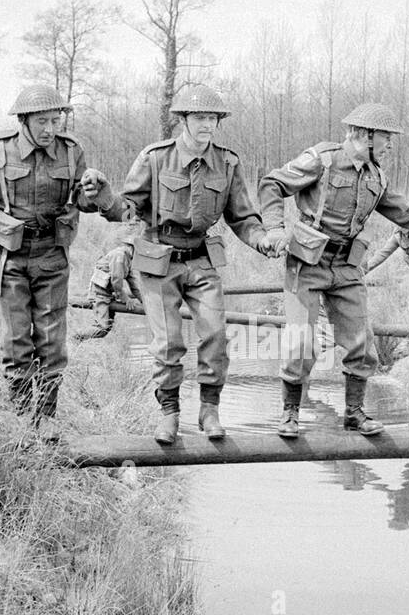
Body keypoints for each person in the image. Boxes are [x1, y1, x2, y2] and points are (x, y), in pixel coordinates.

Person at [258, 103, 409, 439]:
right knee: (300, 341)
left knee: (361, 342)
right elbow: (271, 184)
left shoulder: (377, 177)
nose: (390, 145)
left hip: (347, 265)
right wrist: (275, 229)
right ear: (364, 135)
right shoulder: (322, 159)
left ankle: (354, 413)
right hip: (307, 262)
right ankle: (290, 412)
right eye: (386, 137)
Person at [0, 84, 125, 421]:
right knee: (16, 339)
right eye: (42, 121)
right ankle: (25, 418)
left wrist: (93, 191)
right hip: (9, 258)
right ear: (23, 120)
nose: (50, 129)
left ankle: (47, 417)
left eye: (56, 121)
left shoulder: (71, 152)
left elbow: (81, 202)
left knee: (52, 341)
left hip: (52, 255)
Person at [110, 85, 281, 445]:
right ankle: (169, 413)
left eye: (212, 119)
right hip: (158, 260)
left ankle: (209, 409)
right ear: (183, 120)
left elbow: (243, 217)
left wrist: (262, 239)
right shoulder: (155, 158)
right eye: (200, 118)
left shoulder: (228, 163)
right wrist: (104, 204)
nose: (207, 125)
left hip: (201, 259)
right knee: (169, 342)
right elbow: (126, 208)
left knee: (216, 335)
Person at [75, 246, 143, 340]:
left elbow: (134, 285)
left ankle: (77, 339)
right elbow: (116, 280)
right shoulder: (119, 256)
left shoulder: (127, 259)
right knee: (102, 328)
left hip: (108, 294)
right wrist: (126, 299)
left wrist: (144, 301)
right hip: (99, 294)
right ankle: (75, 337)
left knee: (107, 327)